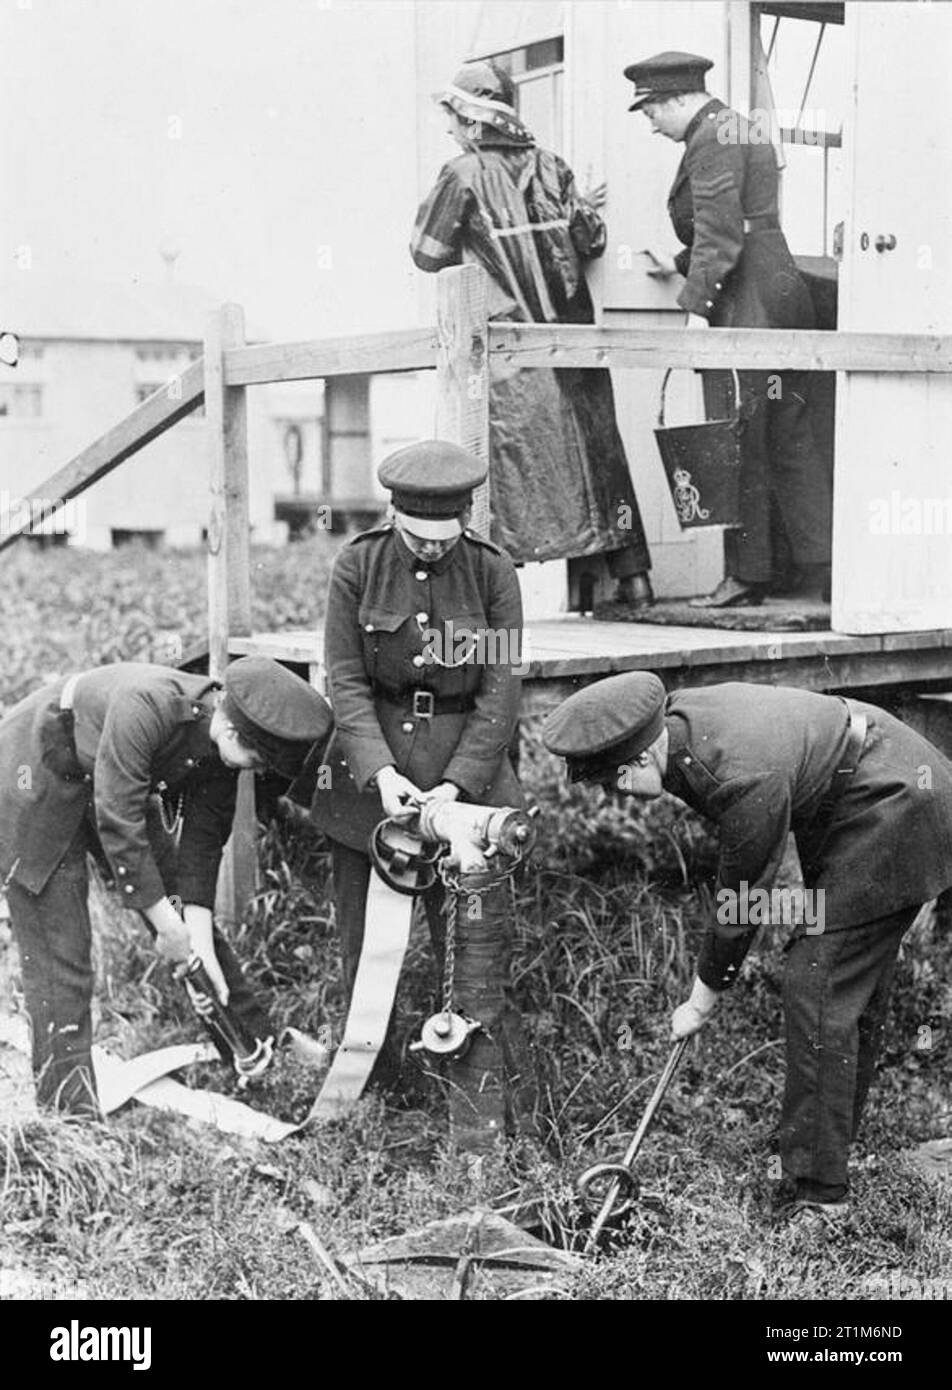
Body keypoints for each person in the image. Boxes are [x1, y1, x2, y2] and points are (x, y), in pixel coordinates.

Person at [542, 671, 952, 1222]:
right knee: (841, 980)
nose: (612, 797)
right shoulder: (675, 729)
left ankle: (819, 1195)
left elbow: (742, 903)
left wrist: (700, 1001)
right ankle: (820, 1145)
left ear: (639, 758)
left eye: (609, 784)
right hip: (857, 792)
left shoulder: (738, 773)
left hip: (896, 802)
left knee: (819, 981)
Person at [310, 439, 534, 1145]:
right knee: (364, 949)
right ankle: (369, 1094)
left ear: (465, 519)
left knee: (470, 948)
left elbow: (500, 690)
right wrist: (380, 773)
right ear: (395, 517)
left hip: (465, 774)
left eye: (446, 538)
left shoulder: (493, 572)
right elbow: (345, 678)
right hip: (373, 779)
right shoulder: (358, 564)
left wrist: (457, 787)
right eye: (418, 538)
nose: (432, 550)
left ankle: (476, 1102)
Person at [0, 656, 333, 1116]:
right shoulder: (146, 706)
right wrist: (167, 927)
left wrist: (196, 941)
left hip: (107, 780)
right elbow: (120, 824)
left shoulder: (222, 739)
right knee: (62, 949)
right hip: (34, 769)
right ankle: (69, 1112)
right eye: (258, 762)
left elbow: (201, 848)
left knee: (187, 920)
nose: (257, 772)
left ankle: (256, 1048)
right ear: (232, 731)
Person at [411, 59, 653, 610]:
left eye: (453, 117)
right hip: (572, 345)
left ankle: (496, 605)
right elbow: (591, 241)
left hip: (509, 351)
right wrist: (581, 208)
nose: (448, 128)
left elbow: (426, 254)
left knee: (510, 475)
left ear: (474, 120)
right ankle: (635, 582)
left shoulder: (461, 174)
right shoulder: (553, 166)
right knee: (599, 463)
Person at [625, 51, 832, 607]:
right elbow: (743, 224)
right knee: (789, 439)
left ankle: (747, 577)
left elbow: (720, 232)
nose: (651, 125)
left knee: (736, 441)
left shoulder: (711, 138)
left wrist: (697, 308)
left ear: (675, 98)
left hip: (744, 307)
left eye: (651, 111)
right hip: (777, 294)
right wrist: (678, 262)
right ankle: (825, 567)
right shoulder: (735, 127)